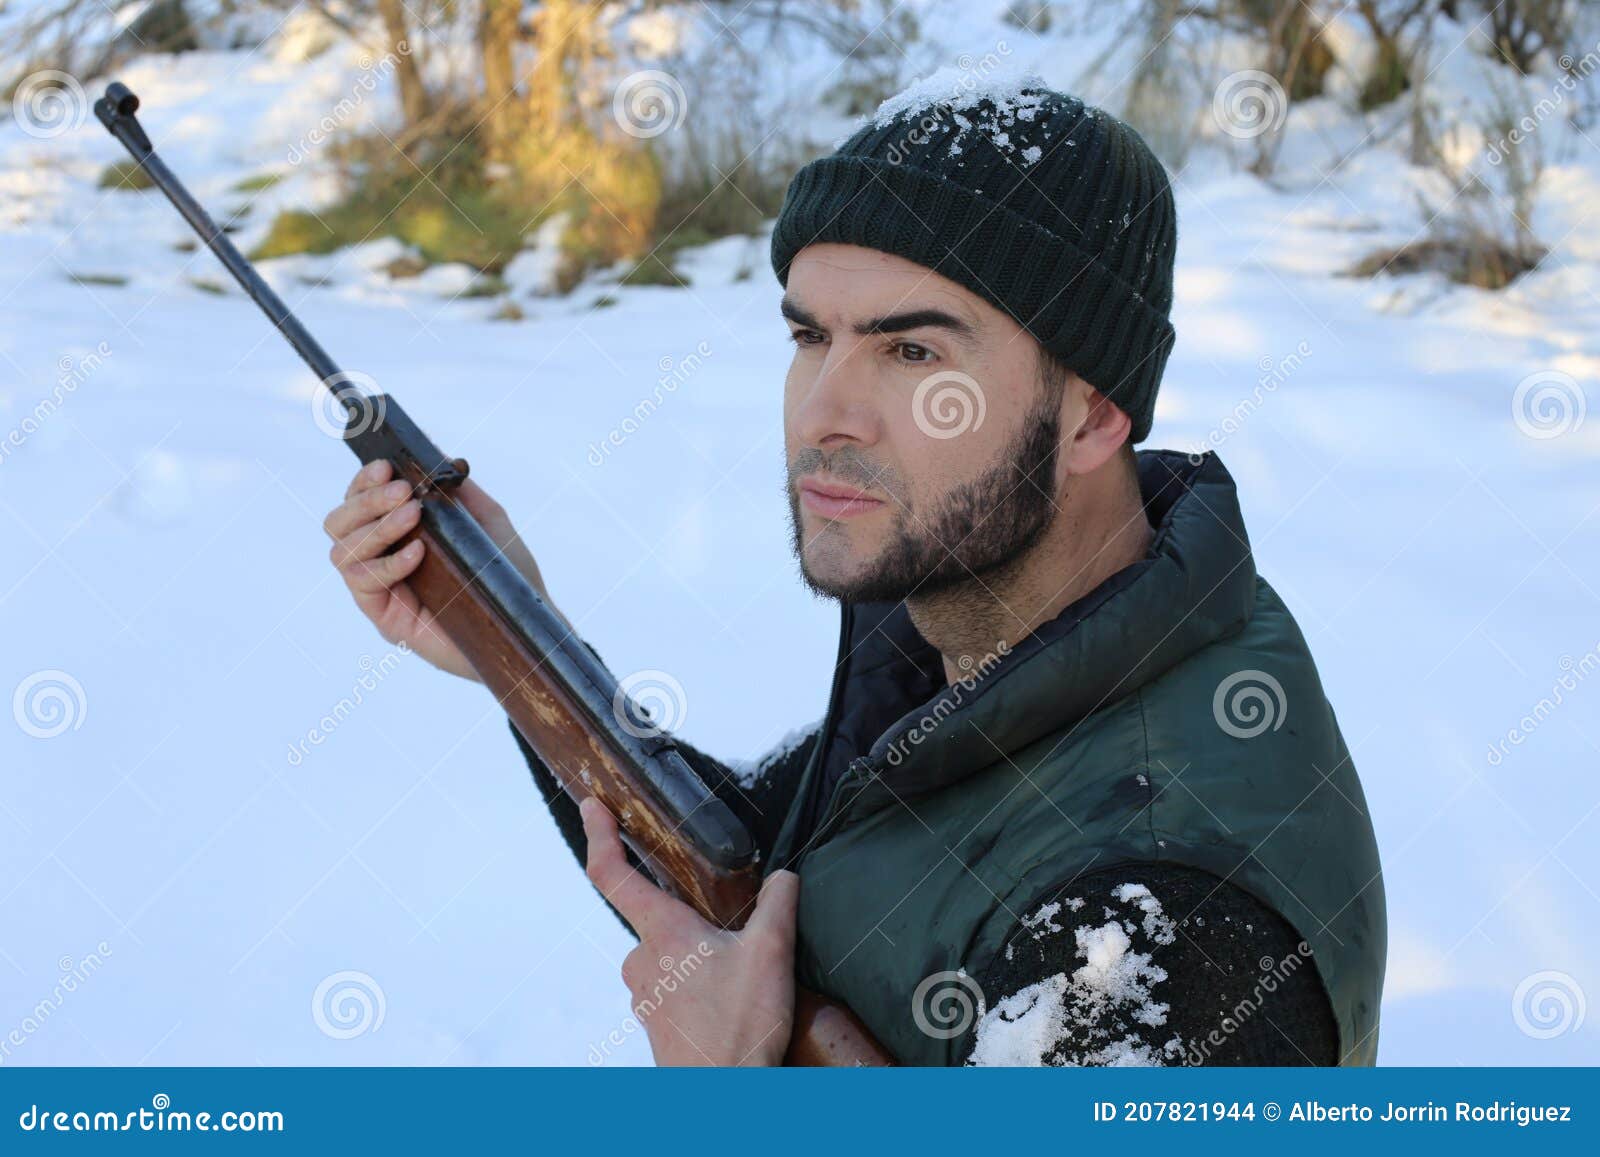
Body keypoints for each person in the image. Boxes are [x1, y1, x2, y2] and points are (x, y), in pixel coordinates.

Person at [322, 77, 1385, 1067]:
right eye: (807, 335)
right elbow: (755, 880)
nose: (824, 412)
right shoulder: (987, 618)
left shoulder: (1166, 938)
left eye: (912, 352)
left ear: (1095, 410)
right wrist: (517, 639)